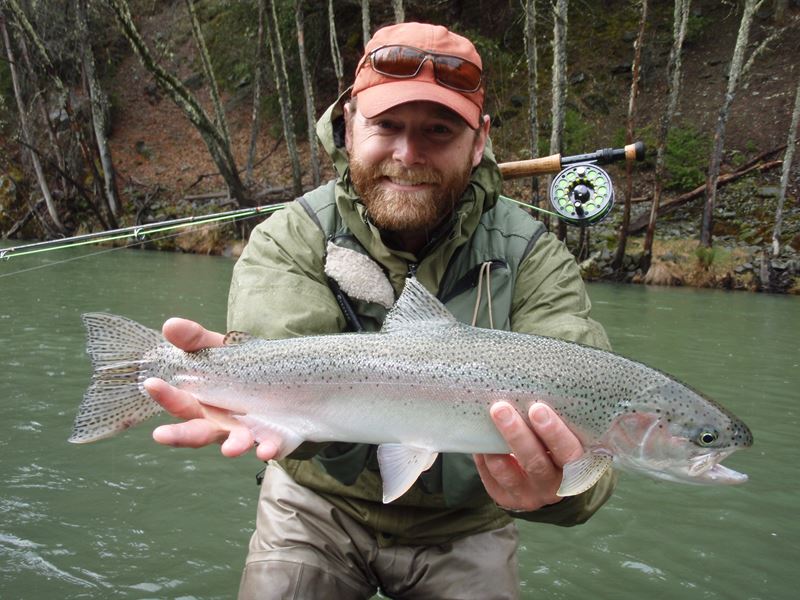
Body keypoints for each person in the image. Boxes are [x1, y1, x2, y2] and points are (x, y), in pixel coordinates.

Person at [144, 22, 616, 600]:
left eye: (439, 131)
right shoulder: (293, 236)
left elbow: (598, 417)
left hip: (466, 525)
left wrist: (562, 489)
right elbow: (290, 372)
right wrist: (242, 394)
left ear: (479, 140)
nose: (408, 154)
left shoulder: (534, 258)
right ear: (348, 125)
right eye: (386, 126)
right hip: (315, 505)